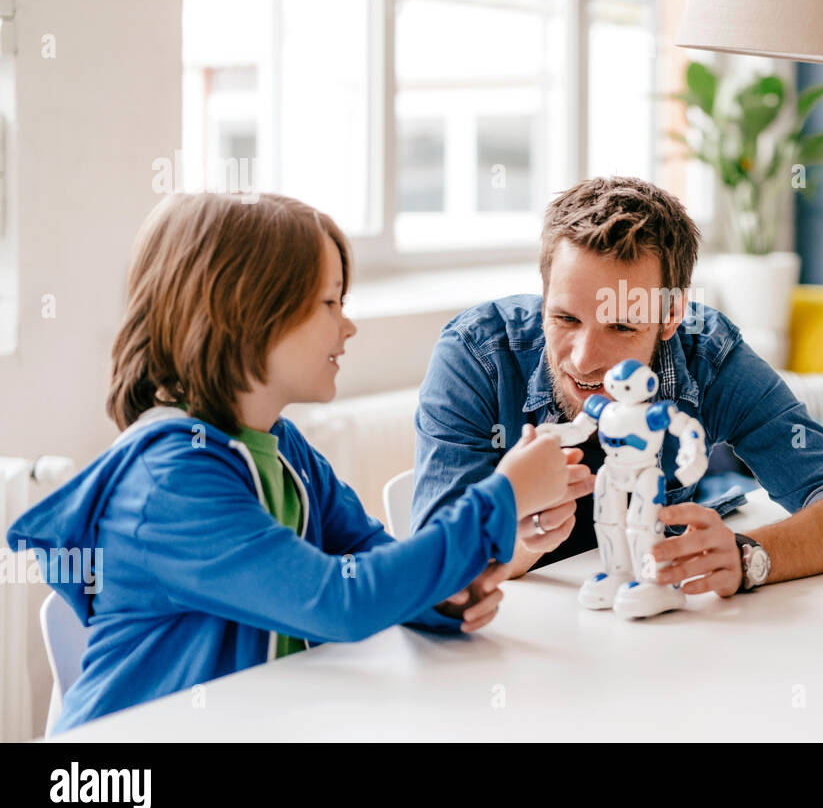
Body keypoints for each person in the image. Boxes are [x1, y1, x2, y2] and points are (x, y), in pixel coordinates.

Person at [6, 192, 582, 733]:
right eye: (329, 303)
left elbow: (367, 554)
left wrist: (435, 599)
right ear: (248, 314)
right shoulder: (170, 482)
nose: (347, 325)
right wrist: (503, 494)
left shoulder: (278, 446)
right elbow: (340, 601)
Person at [413, 176, 823, 604]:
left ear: (671, 316)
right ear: (544, 296)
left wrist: (748, 555)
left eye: (622, 327)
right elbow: (428, 568)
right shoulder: (477, 356)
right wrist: (522, 538)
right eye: (565, 318)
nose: (584, 360)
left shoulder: (708, 355)